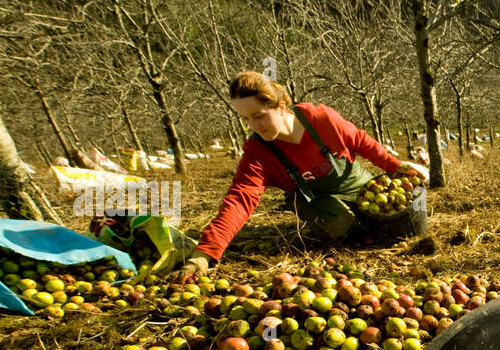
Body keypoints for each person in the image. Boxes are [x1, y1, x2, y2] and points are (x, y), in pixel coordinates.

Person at [175, 72, 427, 283]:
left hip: (354, 184)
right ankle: (353, 233)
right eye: (246, 119)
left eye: (259, 115)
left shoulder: (320, 119)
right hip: (317, 202)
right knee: (340, 222)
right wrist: (205, 252)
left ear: (281, 106)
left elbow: (360, 140)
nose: (254, 125)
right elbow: (240, 199)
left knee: (388, 211)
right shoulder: (259, 152)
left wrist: (393, 164)